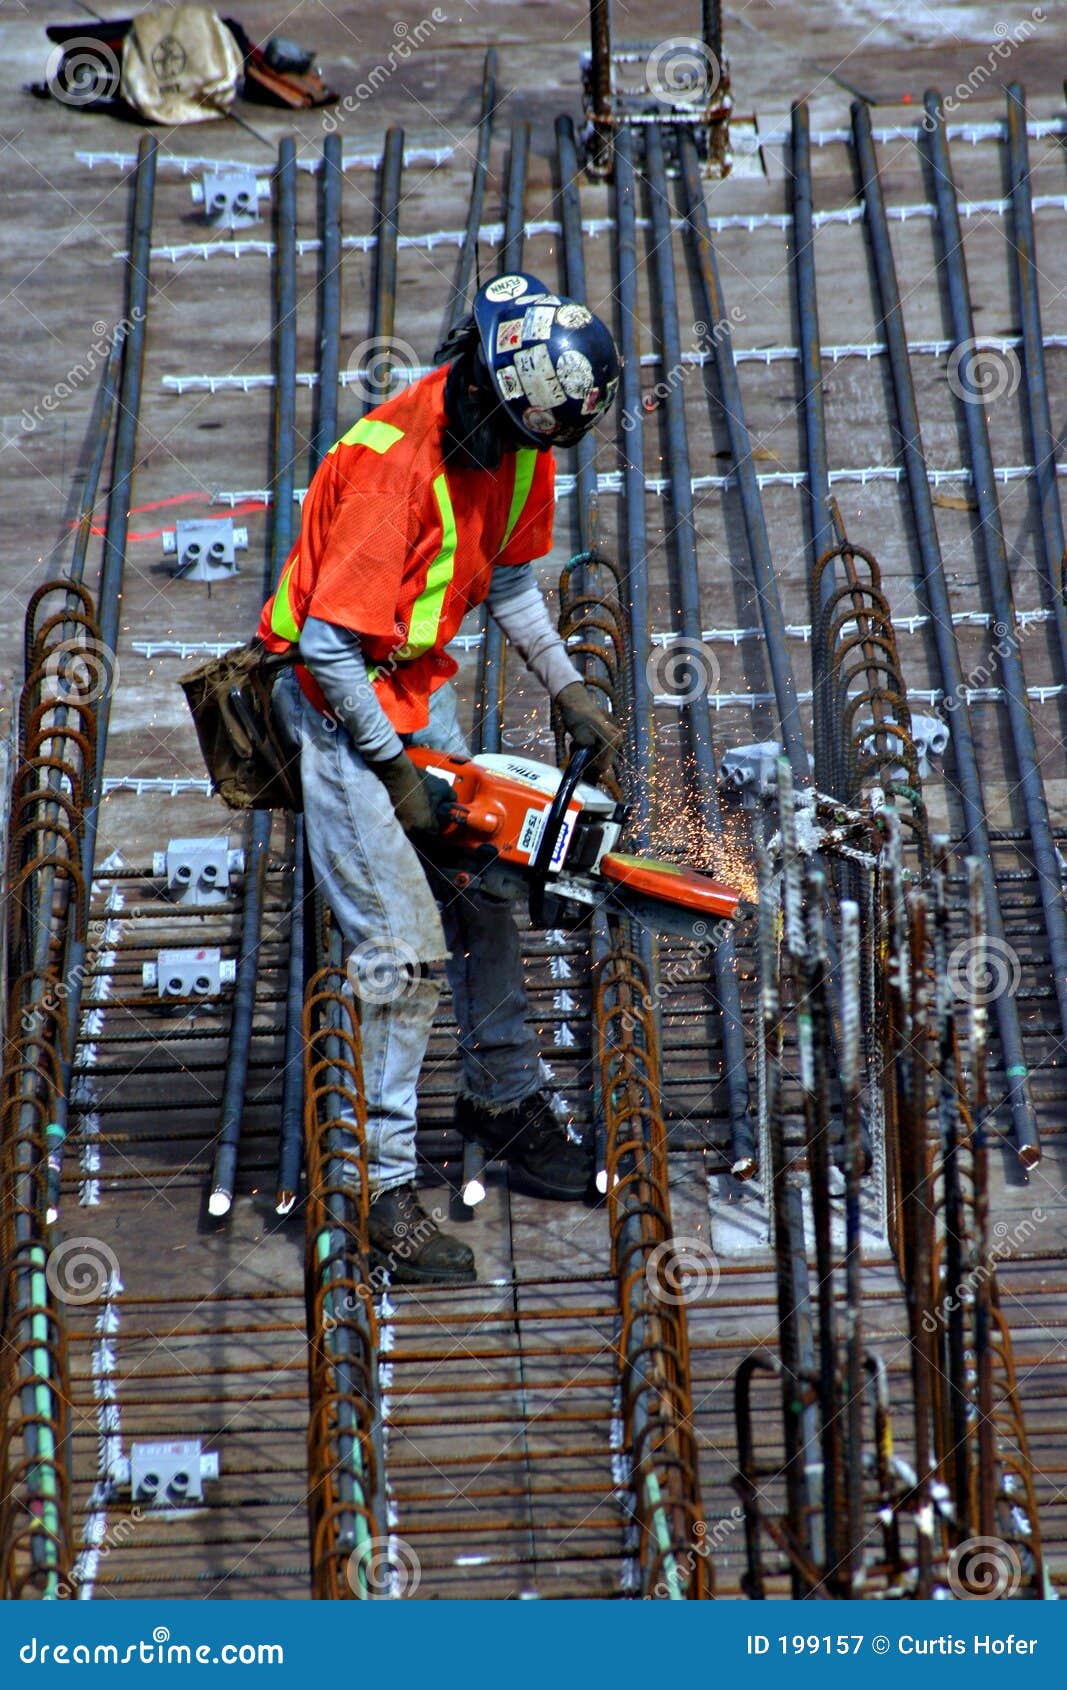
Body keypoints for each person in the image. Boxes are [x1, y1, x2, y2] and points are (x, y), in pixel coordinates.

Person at [262, 273, 623, 1285]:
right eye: (494, 424)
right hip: (342, 715)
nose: (501, 449)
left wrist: (564, 685)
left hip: (419, 692)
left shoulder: (520, 442)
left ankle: (501, 1101)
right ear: (472, 373)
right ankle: (379, 1194)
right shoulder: (396, 466)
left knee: (487, 894)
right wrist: (397, 779)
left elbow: (505, 578)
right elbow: (326, 655)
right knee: (405, 952)